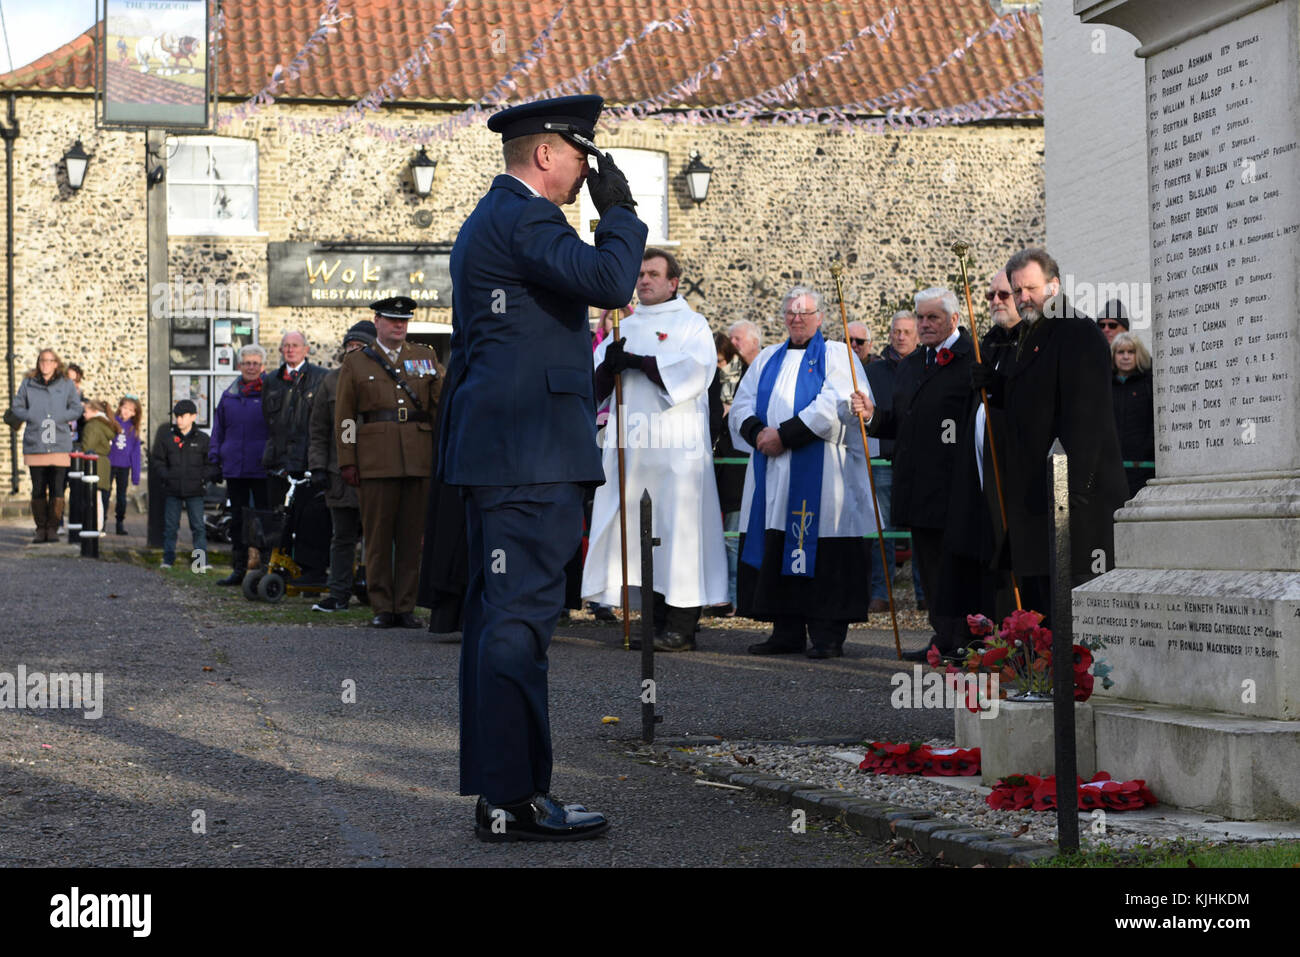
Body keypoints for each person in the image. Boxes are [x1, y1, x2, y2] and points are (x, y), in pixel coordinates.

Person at [439, 94, 645, 841]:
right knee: (518, 623)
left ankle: (501, 792)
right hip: (525, 457)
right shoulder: (527, 218)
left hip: (505, 452)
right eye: (582, 155)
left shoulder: (490, 218)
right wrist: (620, 213)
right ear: (547, 155)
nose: (589, 169)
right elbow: (611, 281)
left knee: (500, 621)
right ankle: (515, 798)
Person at [971, 248, 1128, 623]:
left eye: (1031, 288)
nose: (1024, 297)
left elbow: (1086, 417)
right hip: (1037, 500)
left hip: (1074, 501)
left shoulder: (1077, 331)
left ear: (1054, 286)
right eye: (1017, 290)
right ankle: (1046, 678)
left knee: (1074, 607)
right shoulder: (1029, 334)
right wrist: (998, 386)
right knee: (1042, 605)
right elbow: (1037, 400)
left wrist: (1073, 490)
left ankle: (1075, 681)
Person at [583, 248, 728, 651]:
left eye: (652, 274)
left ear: (673, 282)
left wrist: (638, 362)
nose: (643, 281)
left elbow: (695, 372)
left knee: (678, 535)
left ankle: (682, 624)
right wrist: (607, 366)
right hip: (633, 450)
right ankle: (653, 621)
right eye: (640, 274)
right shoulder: (622, 326)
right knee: (641, 537)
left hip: (676, 452)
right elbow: (594, 392)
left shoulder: (692, 324)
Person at [732, 286, 874, 659]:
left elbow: (833, 405)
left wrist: (785, 435)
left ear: (820, 317)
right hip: (773, 473)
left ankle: (827, 634)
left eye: (805, 312)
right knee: (779, 544)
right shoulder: (766, 358)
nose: (797, 318)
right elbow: (741, 404)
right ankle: (786, 629)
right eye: (791, 312)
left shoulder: (837, 354)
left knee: (822, 551)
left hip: (822, 476)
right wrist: (759, 434)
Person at [856, 289, 975, 660]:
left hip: (956, 484)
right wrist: (873, 416)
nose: (923, 325)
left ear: (953, 319)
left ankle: (968, 638)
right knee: (930, 564)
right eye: (920, 318)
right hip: (917, 484)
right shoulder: (912, 364)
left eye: (932, 318)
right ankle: (943, 636)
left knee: (958, 563)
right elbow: (901, 422)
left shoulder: (971, 360)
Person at [335, 297, 443, 628]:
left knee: (412, 538)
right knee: (378, 537)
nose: (399, 325)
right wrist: (347, 459)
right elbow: (346, 418)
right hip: (375, 460)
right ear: (377, 321)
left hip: (417, 457)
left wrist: (441, 454)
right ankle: (382, 606)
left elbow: (439, 407)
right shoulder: (357, 363)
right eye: (392, 320)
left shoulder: (425, 356)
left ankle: (405, 606)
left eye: (404, 320)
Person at [309, 322, 374, 612]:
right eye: (349, 347)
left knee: (378, 539)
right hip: (339, 474)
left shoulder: (382, 379)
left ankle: (380, 595)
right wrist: (318, 467)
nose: (353, 352)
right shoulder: (330, 382)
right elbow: (318, 430)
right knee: (342, 537)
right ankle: (338, 593)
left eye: (359, 347)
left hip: (376, 472)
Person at [864, 311, 926, 614]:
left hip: (917, 459)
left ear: (916, 335)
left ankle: (924, 592)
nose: (900, 336)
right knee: (883, 530)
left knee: (921, 528)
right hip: (884, 459)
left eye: (906, 332)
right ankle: (882, 591)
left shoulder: (926, 367)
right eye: (896, 331)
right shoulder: (874, 372)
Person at [262, 330, 329, 581]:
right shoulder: (272, 380)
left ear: (306, 350)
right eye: (286, 346)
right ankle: (280, 567)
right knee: (279, 518)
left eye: (295, 345)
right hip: (278, 461)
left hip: (306, 462)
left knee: (308, 520)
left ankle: (310, 570)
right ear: (280, 351)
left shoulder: (320, 378)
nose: (290, 350)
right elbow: (269, 419)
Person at [209, 344, 270, 586]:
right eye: (247, 363)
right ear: (239, 366)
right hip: (235, 468)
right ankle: (238, 569)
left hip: (263, 467)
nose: (251, 367)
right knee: (237, 521)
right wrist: (214, 459)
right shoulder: (229, 395)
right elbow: (218, 430)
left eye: (256, 363)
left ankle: (266, 568)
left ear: (263, 366)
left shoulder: (270, 394)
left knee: (265, 521)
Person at [13, 349, 83, 543]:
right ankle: (40, 528)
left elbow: (77, 408)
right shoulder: (28, 383)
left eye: (49, 360)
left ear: (56, 363)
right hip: (36, 443)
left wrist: (61, 418)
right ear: (38, 362)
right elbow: (17, 407)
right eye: (42, 360)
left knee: (57, 487)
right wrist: (31, 416)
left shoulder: (67, 384)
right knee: (37, 488)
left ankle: (52, 528)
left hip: (59, 443)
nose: (45, 364)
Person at [152, 399, 212, 570]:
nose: (179, 420)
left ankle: (200, 563)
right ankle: (168, 560)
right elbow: (158, 461)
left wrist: (202, 478)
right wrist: (167, 476)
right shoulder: (167, 439)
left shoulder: (202, 439)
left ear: (193, 417)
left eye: (183, 416)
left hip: (195, 491)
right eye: (177, 416)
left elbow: (211, 463)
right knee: (170, 528)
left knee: (198, 528)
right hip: (173, 490)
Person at [712, 331, 746, 614]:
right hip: (712, 466)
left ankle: (735, 599)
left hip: (737, 468)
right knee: (712, 538)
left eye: (721, 362)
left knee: (732, 539)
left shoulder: (745, 380)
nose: (717, 368)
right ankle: (717, 598)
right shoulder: (706, 382)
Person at [1111, 332, 1154, 499]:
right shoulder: (1106, 385)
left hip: (1145, 467)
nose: (1126, 357)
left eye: (1131, 352)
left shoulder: (1149, 383)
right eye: (1121, 352)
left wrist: (1147, 448)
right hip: (1114, 466)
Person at [79, 398, 120, 526]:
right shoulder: (105, 425)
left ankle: (94, 527)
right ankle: (98, 526)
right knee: (99, 499)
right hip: (103, 463)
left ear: (95, 411)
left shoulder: (92, 426)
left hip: (93, 465)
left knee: (92, 500)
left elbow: (87, 447)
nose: (84, 414)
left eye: (86, 411)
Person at [107, 395, 143, 535]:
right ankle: (101, 522)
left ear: (135, 413)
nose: (126, 412)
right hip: (110, 463)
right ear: (120, 407)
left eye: (130, 410)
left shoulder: (133, 430)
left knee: (121, 496)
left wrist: (136, 476)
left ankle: (119, 522)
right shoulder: (112, 422)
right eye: (125, 408)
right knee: (106, 493)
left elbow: (135, 454)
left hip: (124, 466)